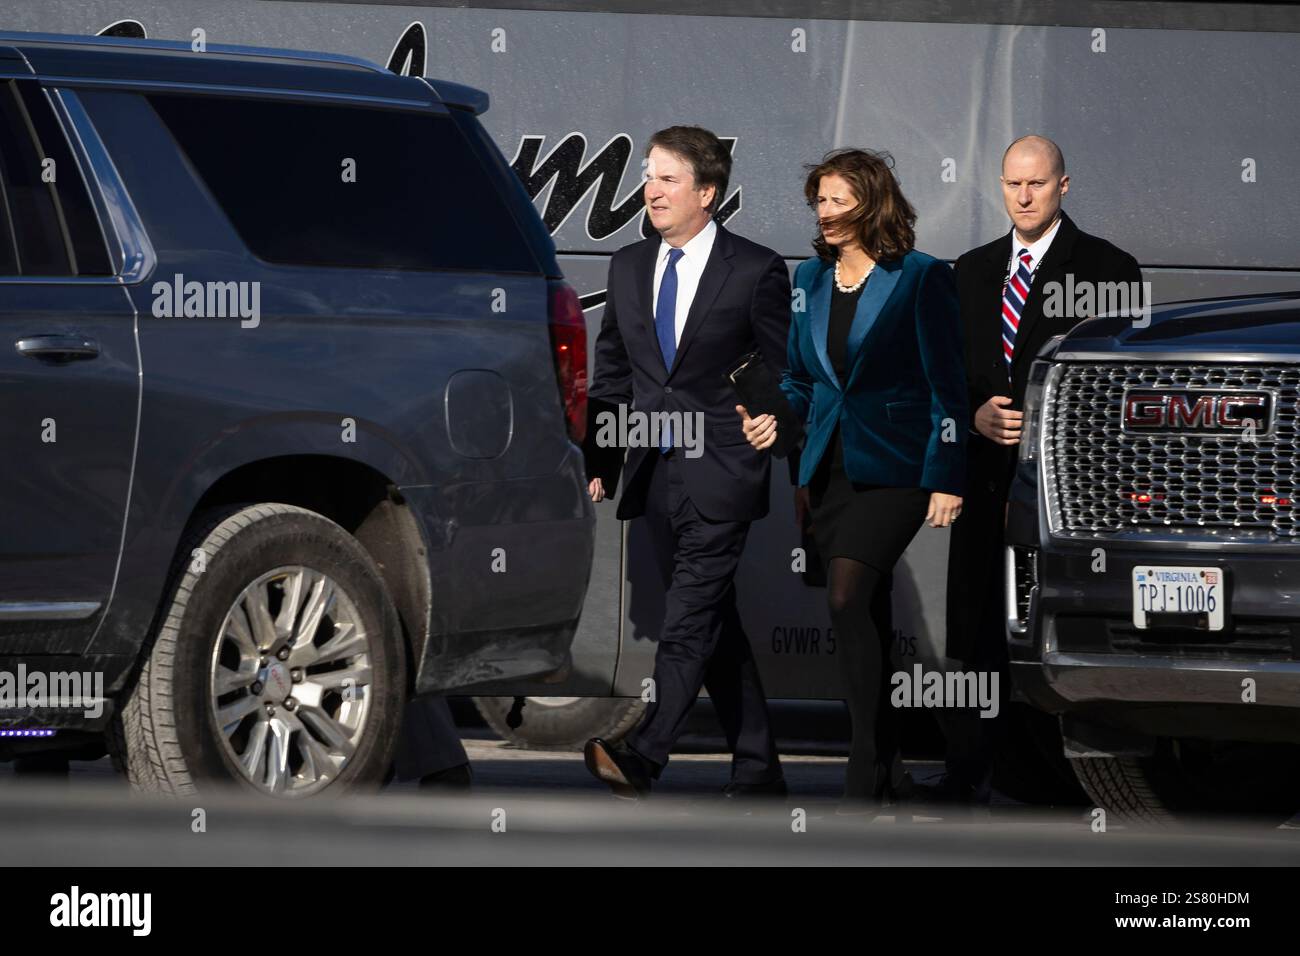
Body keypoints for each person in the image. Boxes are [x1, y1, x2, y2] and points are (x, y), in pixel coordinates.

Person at [742, 148, 967, 814]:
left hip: (897, 466)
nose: (827, 212)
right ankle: (893, 768)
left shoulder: (920, 277)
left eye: (840, 199)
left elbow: (946, 386)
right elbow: (800, 379)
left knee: (846, 598)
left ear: (873, 202)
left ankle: (863, 770)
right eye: (820, 200)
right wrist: (774, 422)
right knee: (861, 612)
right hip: (826, 468)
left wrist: (947, 476)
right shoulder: (808, 277)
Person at [925, 134, 1143, 807]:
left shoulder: (1107, 268)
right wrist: (973, 416)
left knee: (1059, 627)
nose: (1023, 197)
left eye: (1037, 185)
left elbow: (1119, 388)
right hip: (987, 481)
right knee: (978, 631)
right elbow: (943, 377)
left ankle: (1070, 784)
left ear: (1064, 186)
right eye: (1013, 184)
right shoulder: (971, 270)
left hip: (1064, 493)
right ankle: (967, 772)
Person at [581, 125, 791, 799]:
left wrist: (774, 420)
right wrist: (604, 459)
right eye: (648, 175)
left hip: (722, 469)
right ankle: (759, 772)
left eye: (668, 178)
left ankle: (646, 752)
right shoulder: (628, 266)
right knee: (712, 622)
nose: (651, 189)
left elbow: (782, 371)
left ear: (707, 192)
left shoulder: (755, 269)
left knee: (688, 618)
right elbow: (611, 369)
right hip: (652, 469)